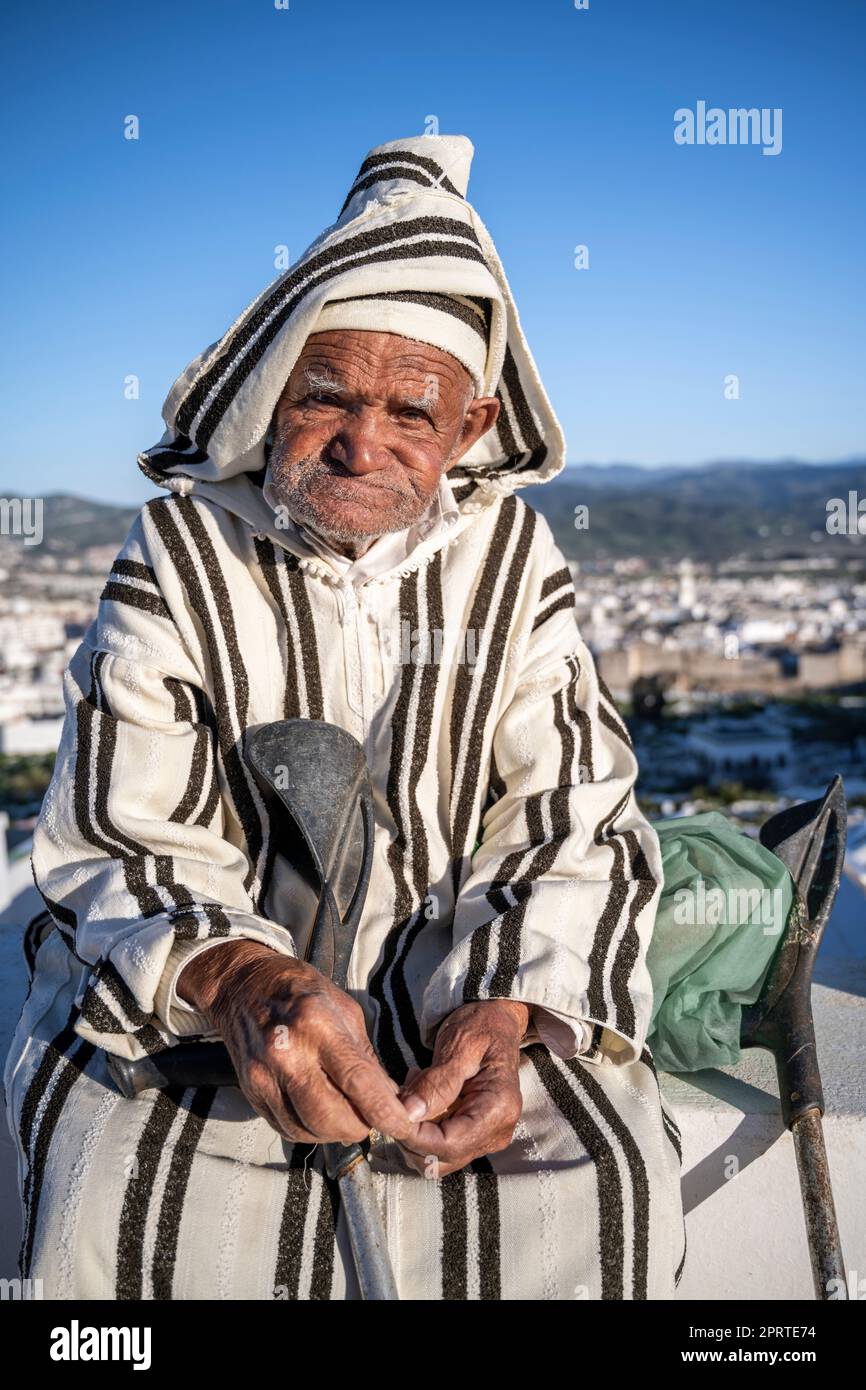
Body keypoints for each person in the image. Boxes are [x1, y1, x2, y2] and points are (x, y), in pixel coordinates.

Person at [6, 134, 685, 1300]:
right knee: (120, 1204)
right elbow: (124, 825)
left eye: (408, 412)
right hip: (201, 991)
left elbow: (569, 807)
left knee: (606, 1188)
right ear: (275, 394)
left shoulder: (511, 558)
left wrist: (503, 1002)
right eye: (325, 395)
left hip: (458, 982)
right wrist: (239, 981)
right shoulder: (182, 549)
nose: (360, 442)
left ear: (469, 430)